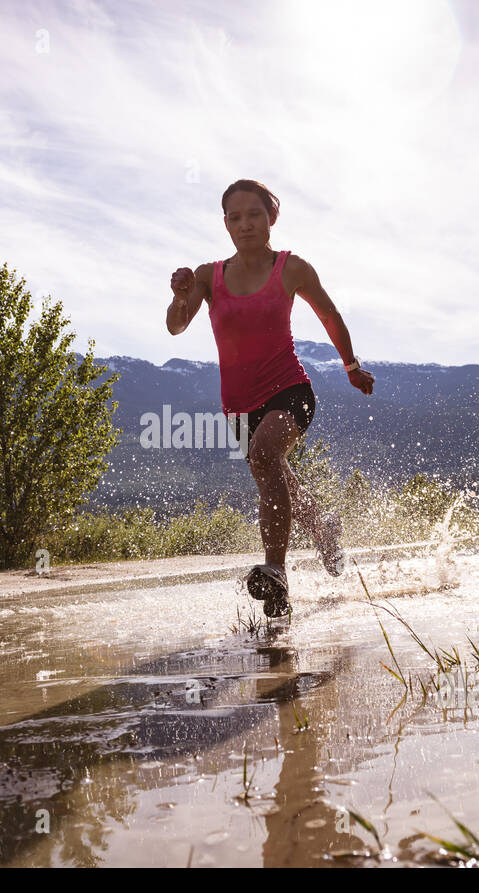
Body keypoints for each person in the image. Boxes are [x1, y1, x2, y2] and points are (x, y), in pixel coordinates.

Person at [166, 178, 375, 617]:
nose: (245, 225)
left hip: (290, 391)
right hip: (239, 407)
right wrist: (180, 297)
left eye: (254, 215)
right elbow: (176, 326)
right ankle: (323, 528)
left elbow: (329, 313)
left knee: (265, 456)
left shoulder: (291, 268)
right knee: (275, 473)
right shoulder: (209, 276)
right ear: (225, 224)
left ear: (271, 218)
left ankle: (276, 571)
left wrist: (351, 367)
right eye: (235, 217)